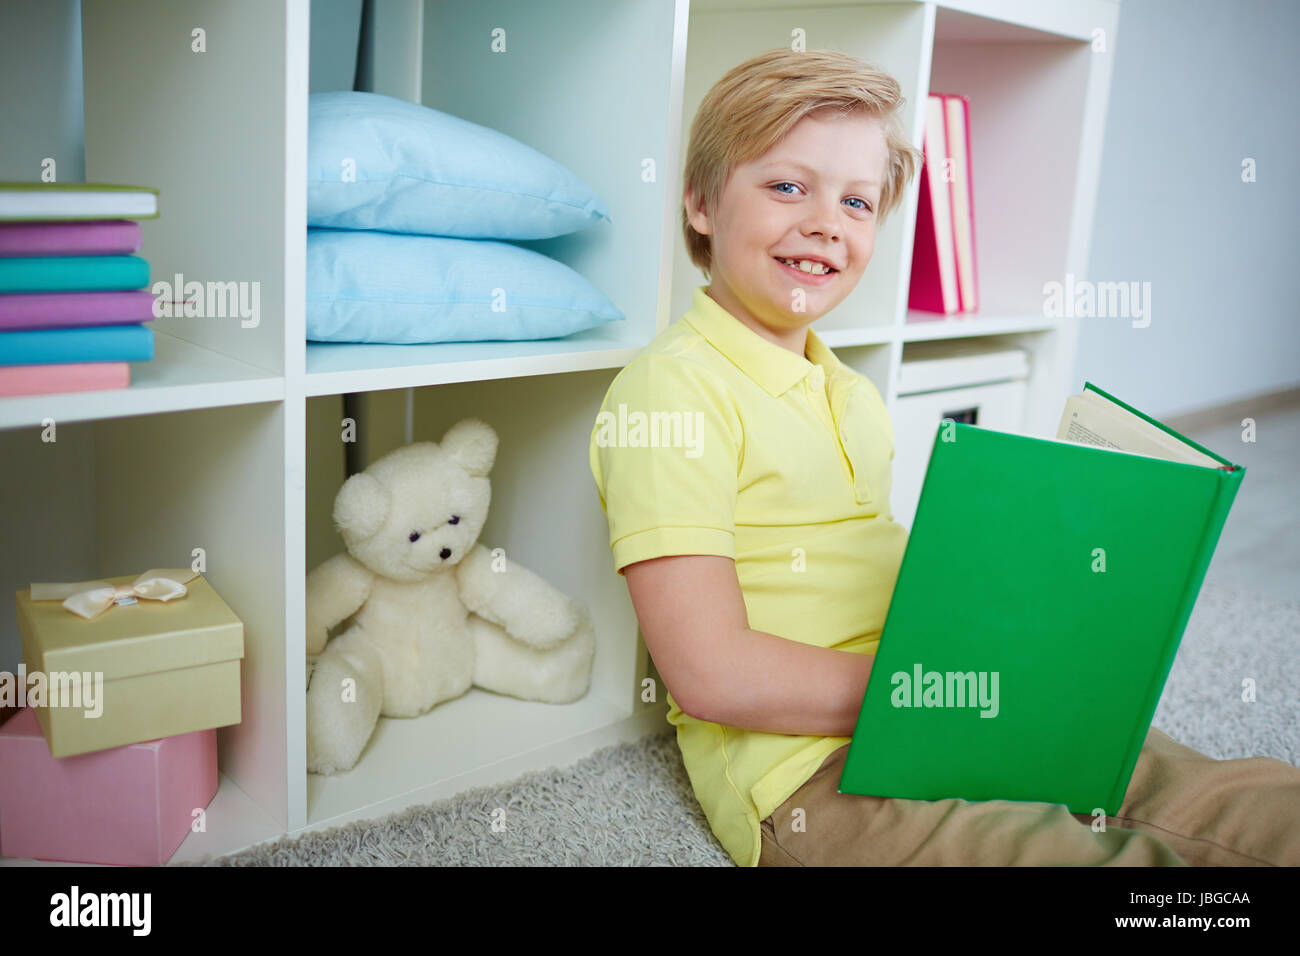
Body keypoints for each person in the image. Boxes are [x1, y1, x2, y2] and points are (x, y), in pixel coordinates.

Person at [587, 47, 1300, 867]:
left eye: (857, 201)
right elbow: (709, 673)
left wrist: (1008, 654)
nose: (826, 221)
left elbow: (889, 583)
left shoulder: (849, 391)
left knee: (1223, 792)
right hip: (816, 778)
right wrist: (945, 697)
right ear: (701, 204)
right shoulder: (667, 394)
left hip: (938, 703)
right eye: (787, 185)